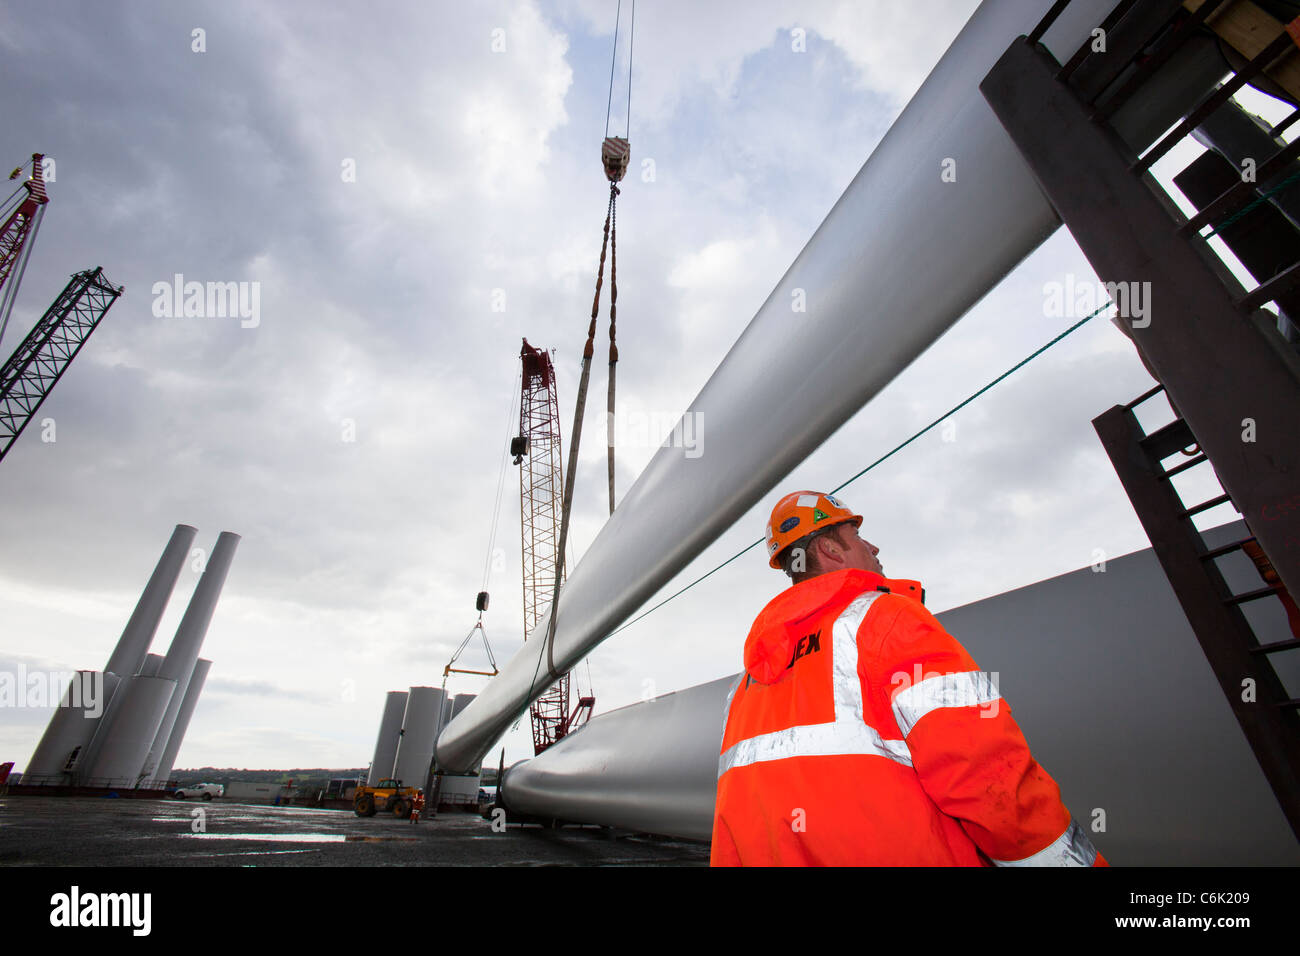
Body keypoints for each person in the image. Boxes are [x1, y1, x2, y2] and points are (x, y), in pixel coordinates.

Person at [710, 490, 1108, 866]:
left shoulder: (746, 686)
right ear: (830, 549)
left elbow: (730, 826)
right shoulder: (885, 621)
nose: (873, 547)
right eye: (857, 535)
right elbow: (986, 778)